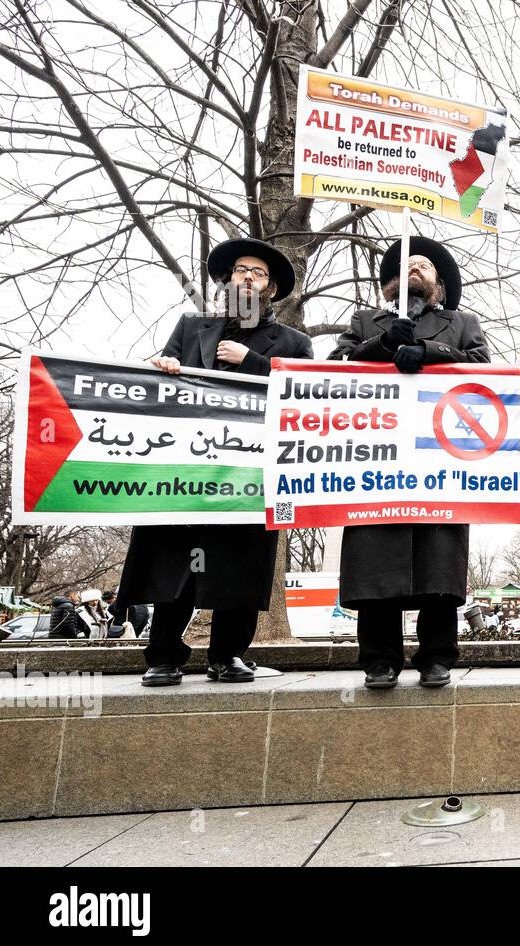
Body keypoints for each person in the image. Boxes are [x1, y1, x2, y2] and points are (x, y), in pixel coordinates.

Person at [119, 237, 313, 686]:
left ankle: (227, 655)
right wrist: (162, 366)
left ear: (271, 288)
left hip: (248, 476)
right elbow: (161, 374)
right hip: (186, 474)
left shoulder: (293, 342)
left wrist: (255, 361)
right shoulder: (192, 327)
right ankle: (163, 655)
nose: (248, 276)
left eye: (258, 272)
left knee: (238, 567)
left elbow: (308, 393)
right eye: (241, 269)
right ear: (228, 279)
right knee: (176, 565)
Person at [328, 236, 488, 689]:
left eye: (425, 266)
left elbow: (483, 366)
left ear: (439, 283)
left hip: (440, 460)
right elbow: (334, 367)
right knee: (377, 560)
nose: (416, 269)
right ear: (391, 283)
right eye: (407, 265)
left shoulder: (461, 324)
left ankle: (437, 656)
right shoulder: (363, 321)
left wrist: (431, 354)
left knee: (438, 559)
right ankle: (379, 659)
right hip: (375, 462)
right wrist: (380, 344)